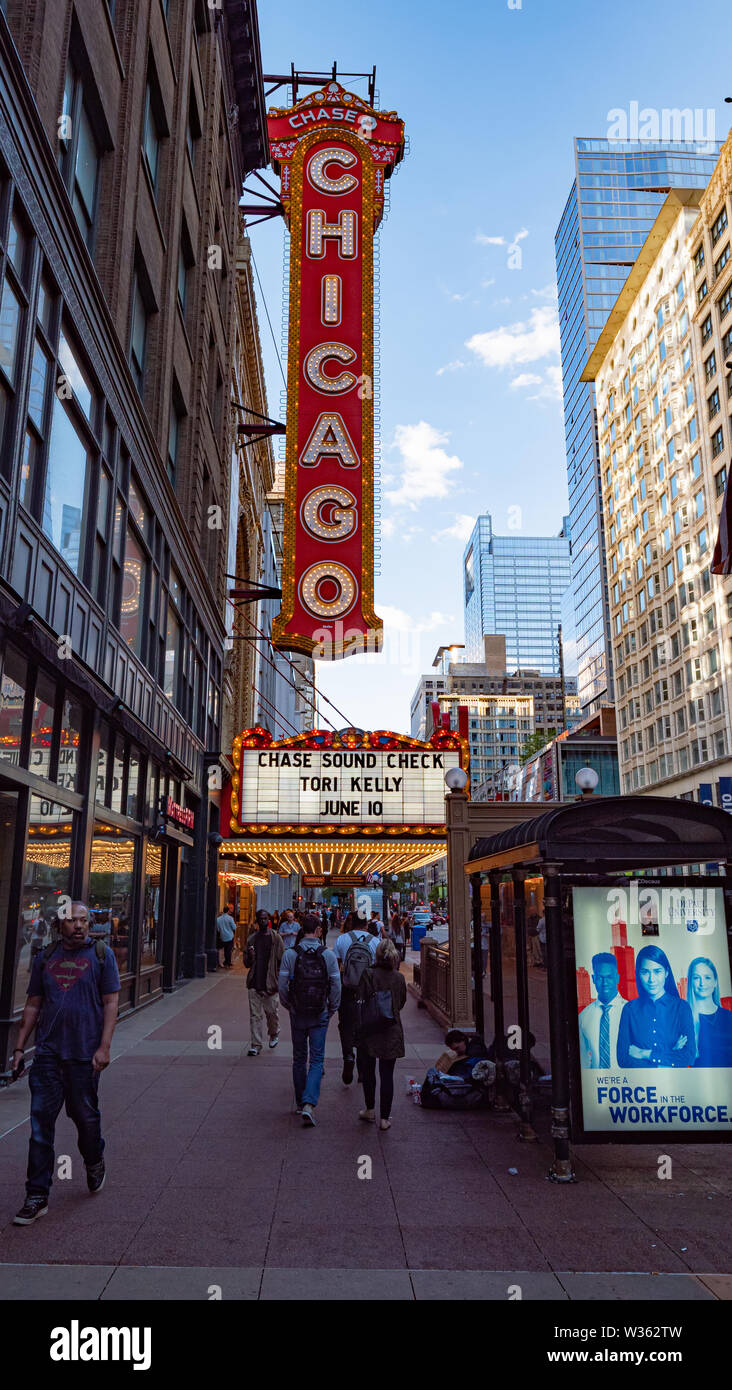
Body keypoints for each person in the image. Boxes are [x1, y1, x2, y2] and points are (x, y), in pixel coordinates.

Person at [12, 901, 120, 1226]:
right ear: (60, 924)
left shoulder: (101, 956)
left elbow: (111, 1001)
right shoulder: (46, 957)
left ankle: (94, 1157)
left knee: (84, 1118)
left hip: (83, 1056)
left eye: (83, 920)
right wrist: (19, 1049)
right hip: (47, 1055)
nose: (78, 926)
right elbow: (33, 1003)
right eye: (72, 920)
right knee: (40, 1127)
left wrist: (104, 1047)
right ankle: (36, 1195)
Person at [278, 912, 340, 1126]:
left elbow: (282, 986)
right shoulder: (328, 955)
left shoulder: (290, 954)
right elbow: (336, 986)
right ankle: (309, 1103)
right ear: (318, 931)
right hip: (319, 1012)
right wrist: (332, 1008)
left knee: (298, 1057)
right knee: (316, 1059)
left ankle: (299, 1101)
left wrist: (289, 1005)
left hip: (298, 1013)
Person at [617, 944, 695, 1068]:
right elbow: (623, 1059)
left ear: (666, 973)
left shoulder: (681, 1008)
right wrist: (670, 1054)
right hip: (642, 1085)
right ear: (638, 974)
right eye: (645, 972)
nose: (651, 979)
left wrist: (645, 1054)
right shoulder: (629, 1009)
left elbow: (688, 1057)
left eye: (657, 971)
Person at [356, 938, 407, 1130]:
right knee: (387, 1074)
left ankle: (370, 1110)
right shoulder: (399, 978)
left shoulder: (368, 974)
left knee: (369, 1072)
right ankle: (385, 1118)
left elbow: (360, 999)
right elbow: (401, 1003)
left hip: (370, 1029)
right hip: (391, 1029)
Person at [334, 911, 377, 1084]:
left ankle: (348, 1057)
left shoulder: (342, 940)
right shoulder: (375, 942)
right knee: (365, 1028)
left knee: (345, 1026)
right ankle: (362, 1066)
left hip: (347, 991)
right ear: (366, 924)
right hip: (367, 993)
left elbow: (336, 968)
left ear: (352, 923)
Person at [245, 910, 284, 1056]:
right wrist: (250, 956)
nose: (262, 921)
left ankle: (274, 1033)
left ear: (268, 920)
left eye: (265, 919)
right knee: (255, 1016)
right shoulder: (252, 939)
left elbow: (281, 959)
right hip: (254, 983)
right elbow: (246, 963)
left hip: (271, 984)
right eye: (260, 919)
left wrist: (279, 978)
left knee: (272, 1014)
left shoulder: (276, 938)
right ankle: (256, 1045)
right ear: (256, 920)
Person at [578, 953, 625, 1069]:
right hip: (597, 1083)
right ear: (593, 979)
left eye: (609, 977)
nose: (605, 983)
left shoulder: (632, 1012)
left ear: (617, 978)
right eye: (600, 978)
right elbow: (583, 1060)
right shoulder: (584, 1017)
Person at [687, 957, 732, 1067]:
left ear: (715, 982)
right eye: (697, 978)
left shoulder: (728, 1017)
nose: (702, 983)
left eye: (707, 978)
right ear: (691, 982)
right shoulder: (683, 1018)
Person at [216, 904, 237, 970]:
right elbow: (234, 927)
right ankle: (228, 963)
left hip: (222, 936)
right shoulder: (230, 918)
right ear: (228, 911)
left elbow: (218, 929)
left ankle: (225, 962)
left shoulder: (218, 919)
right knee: (229, 950)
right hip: (230, 936)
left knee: (225, 950)